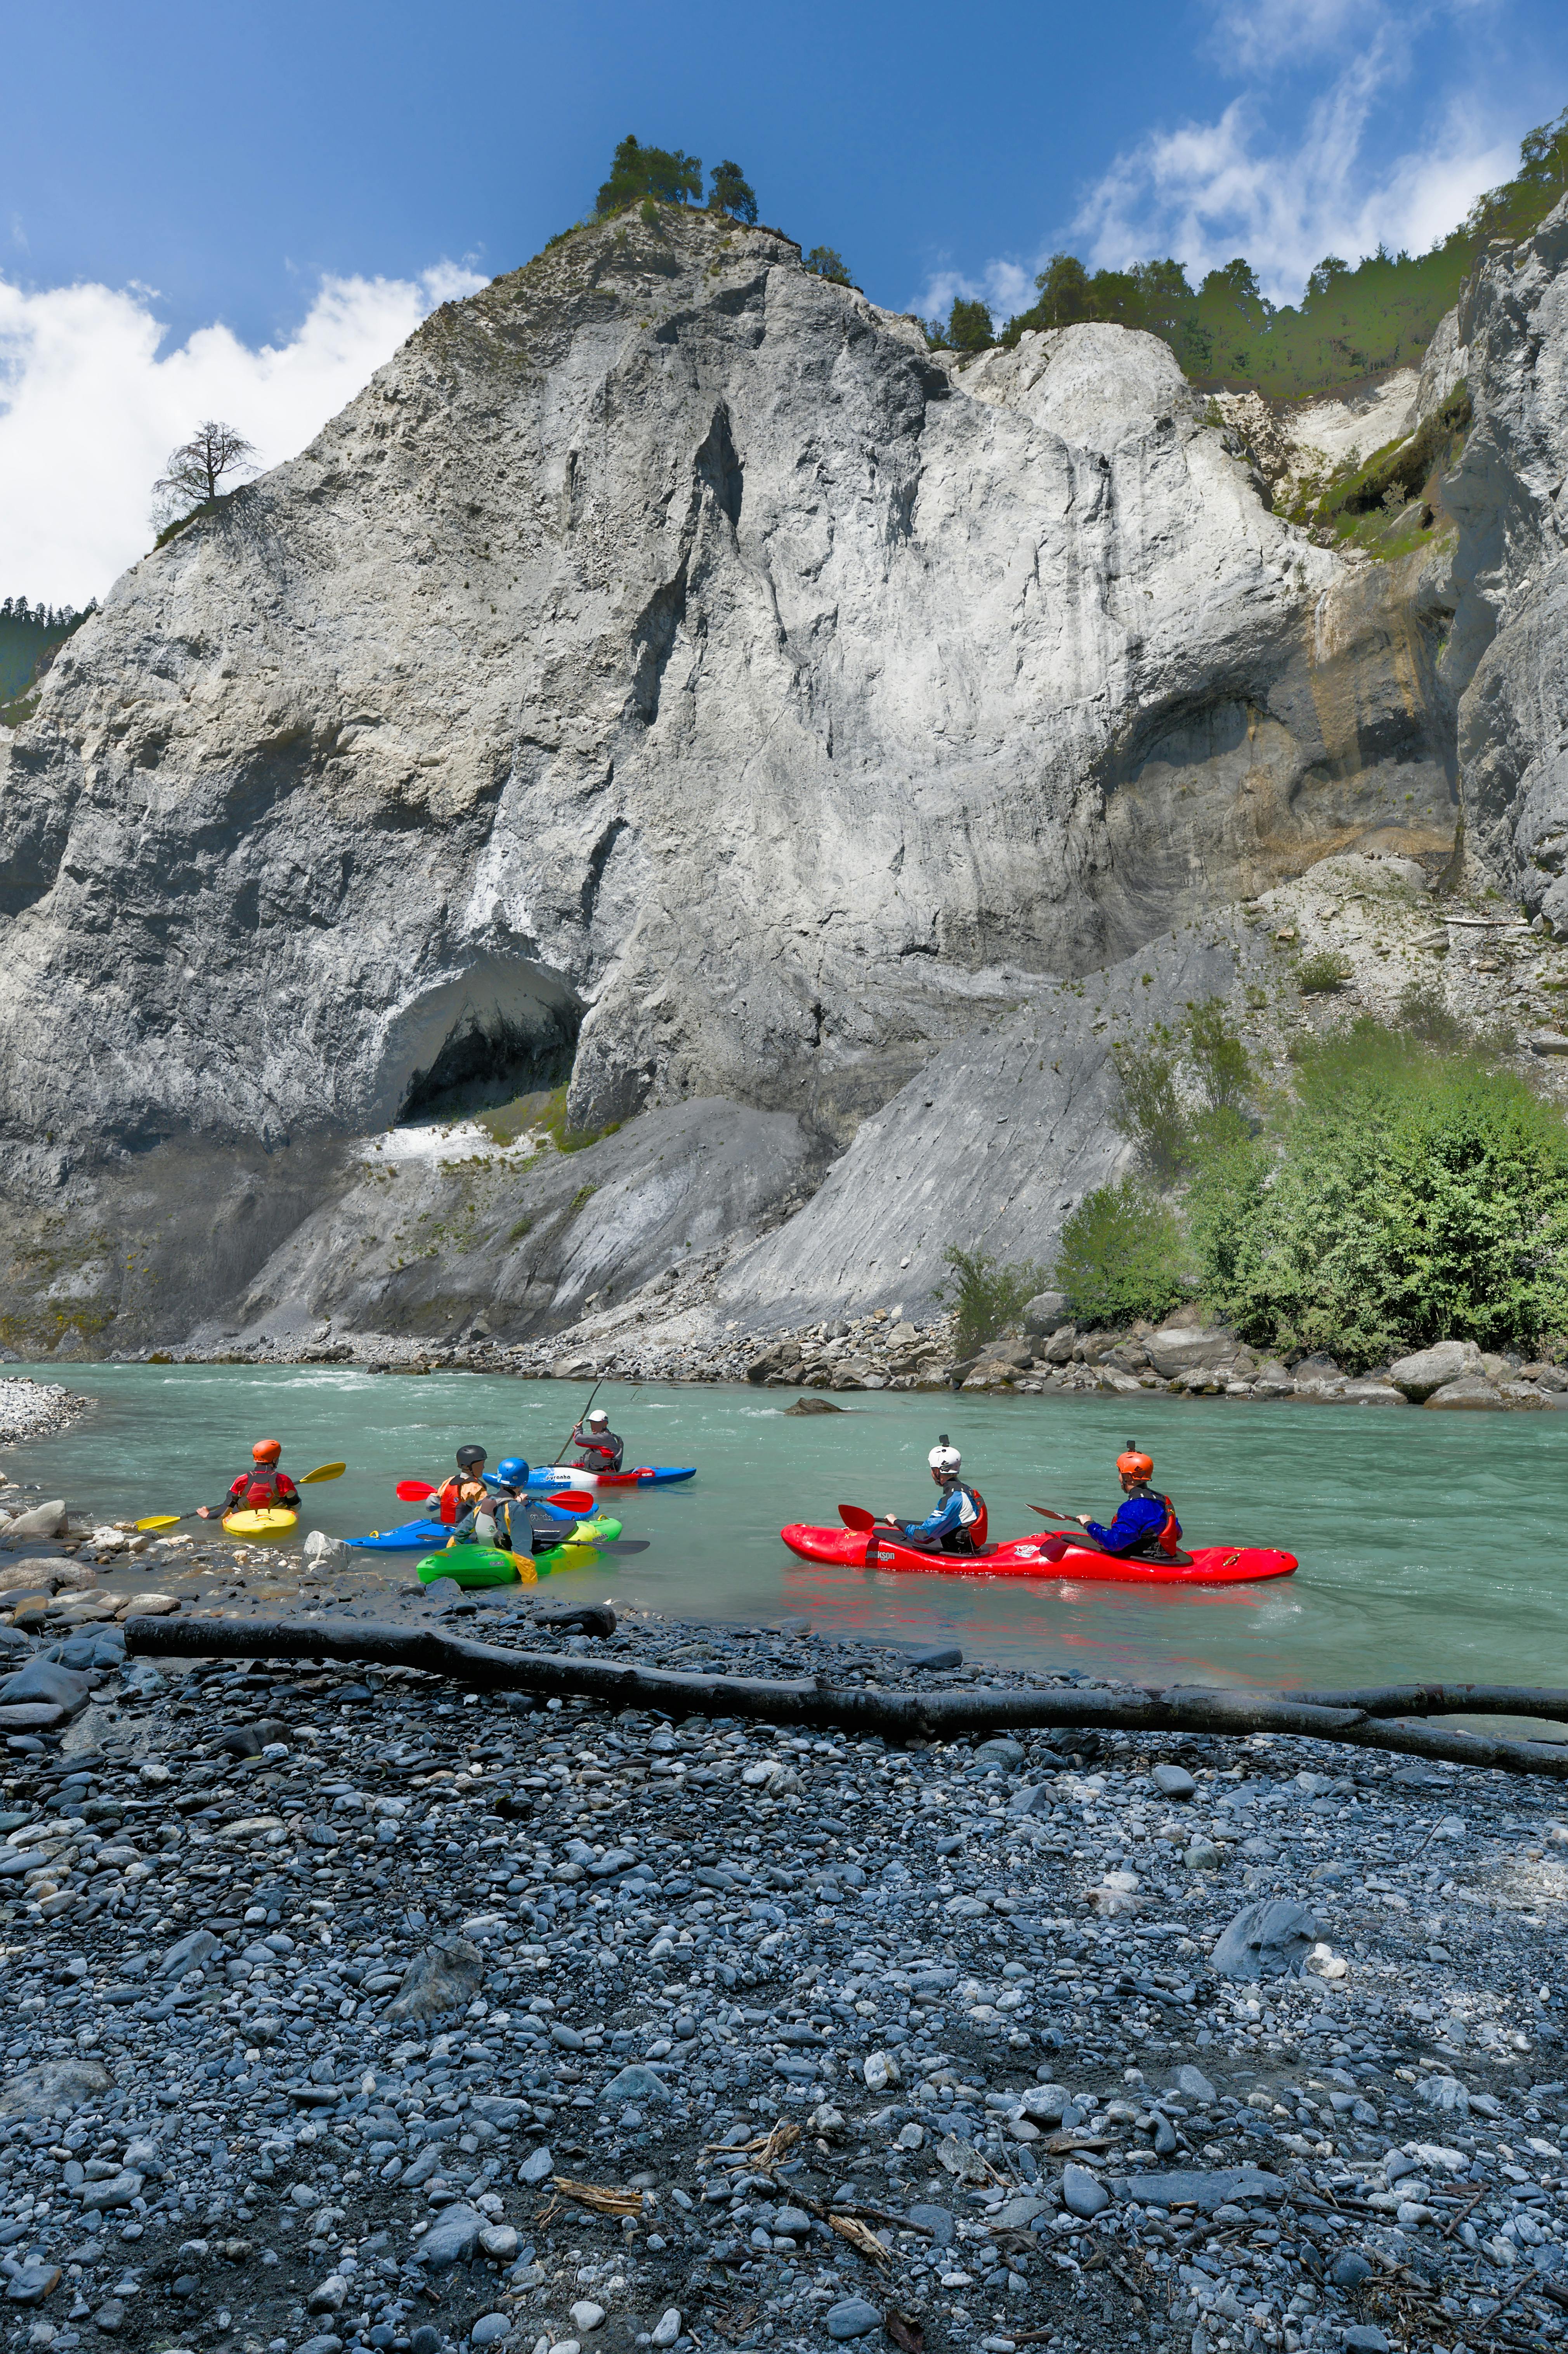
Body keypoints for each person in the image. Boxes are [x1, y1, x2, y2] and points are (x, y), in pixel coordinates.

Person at [1074, 1445, 1187, 1561]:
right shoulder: (1161, 1499)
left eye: (1120, 1473)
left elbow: (1115, 1543)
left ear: (1128, 1477)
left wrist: (1089, 1525)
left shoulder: (1133, 1507)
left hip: (1146, 1561)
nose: (1119, 1478)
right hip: (1163, 1556)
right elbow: (1177, 1534)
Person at [881, 1437, 988, 1554]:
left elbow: (922, 1537)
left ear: (937, 1472)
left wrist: (896, 1521)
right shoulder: (967, 1490)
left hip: (962, 1553)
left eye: (932, 1470)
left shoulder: (954, 1499)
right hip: (971, 1548)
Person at [454, 1458, 581, 1556]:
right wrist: (529, 1585)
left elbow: (459, 1535)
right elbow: (523, 1549)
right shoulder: (516, 1508)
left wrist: (450, 1556)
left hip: (487, 1548)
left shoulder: (483, 1502)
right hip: (506, 1552)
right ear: (524, 1482)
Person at [199, 1439, 302, 1522]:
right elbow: (297, 1507)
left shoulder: (242, 1480)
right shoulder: (284, 1480)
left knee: (236, 1504)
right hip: (276, 1518)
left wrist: (208, 1515)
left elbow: (223, 1513)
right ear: (274, 1460)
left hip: (245, 1519)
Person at [435, 1445, 490, 1525]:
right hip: (463, 1529)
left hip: (446, 1525)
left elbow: (430, 1506)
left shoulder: (449, 1481)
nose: (483, 1467)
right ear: (466, 1467)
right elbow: (487, 1511)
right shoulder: (474, 1487)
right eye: (480, 1465)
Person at [570, 1407, 624, 1474]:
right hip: (595, 1473)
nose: (593, 1426)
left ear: (604, 1424)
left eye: (596, 1424)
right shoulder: (598, 1441)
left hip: (606, 1475)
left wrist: (578, 1429)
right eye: (592, 1424)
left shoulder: (605, 1438)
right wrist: (562, 1466)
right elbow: (583, 1461)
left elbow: (578, 1440)